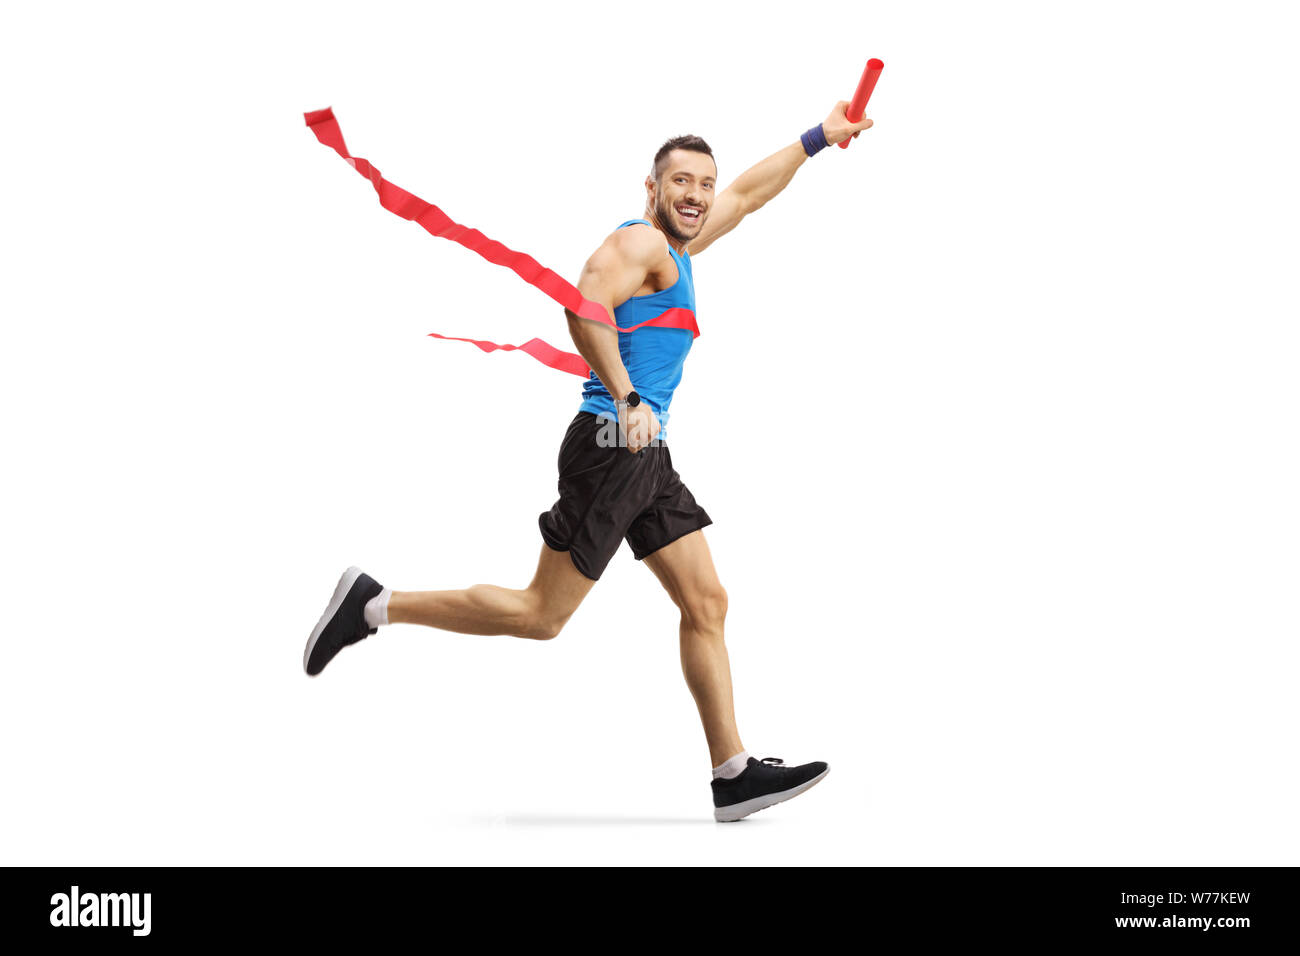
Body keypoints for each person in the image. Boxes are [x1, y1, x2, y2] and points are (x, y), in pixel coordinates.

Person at [304, 101, 875, 822]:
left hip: (645, 455)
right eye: (682, 182)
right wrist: (628, 395)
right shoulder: (640, 245)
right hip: (612, 446)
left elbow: (751, 194)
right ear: (652, 189)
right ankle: (373, 604)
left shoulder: (683, 252)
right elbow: (582, 305)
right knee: (542, 616)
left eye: (705, 182)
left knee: (706, 602)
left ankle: (731, 774)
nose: (698, 195)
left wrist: (821, 137)